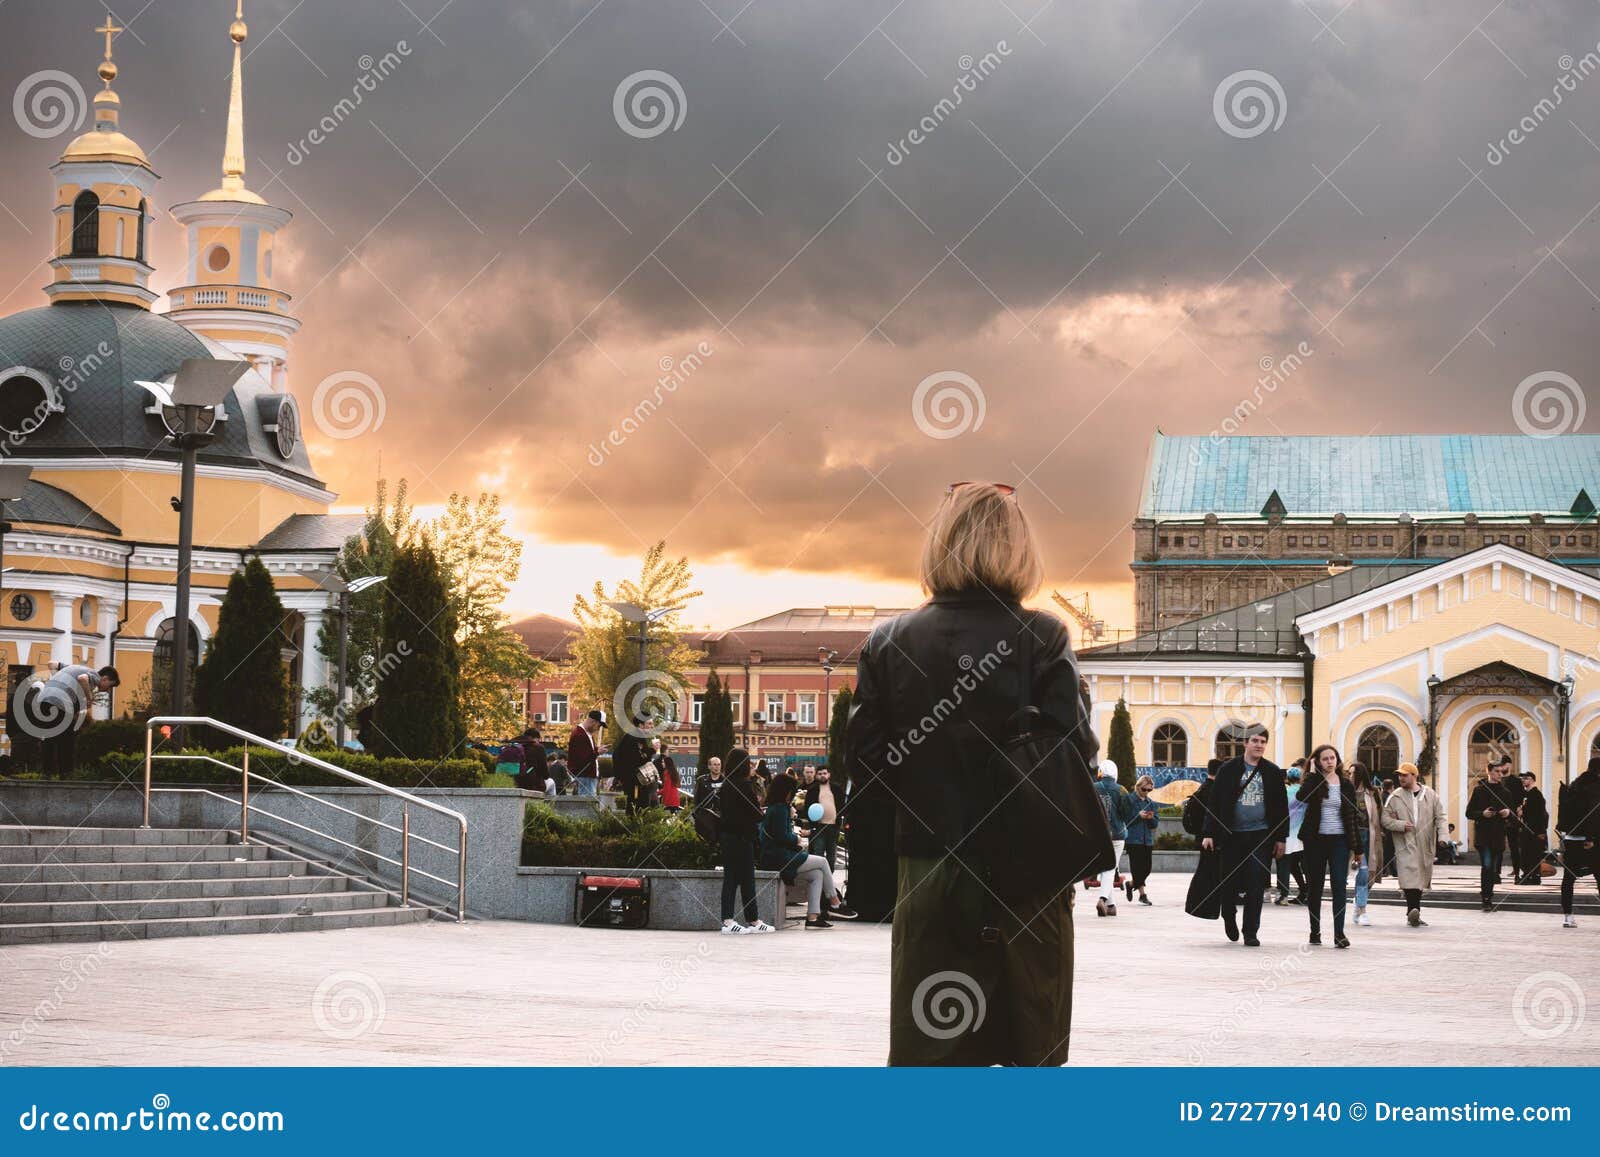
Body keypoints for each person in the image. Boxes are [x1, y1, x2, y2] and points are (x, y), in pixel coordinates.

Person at [848, 481, 1094, 1065]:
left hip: (929, 874)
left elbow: (865, 767)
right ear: (1018, 547)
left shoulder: (889, 641)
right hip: (1027, 880)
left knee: (932, 1052)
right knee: (1029, 1050)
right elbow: (1075, 752)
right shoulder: (1044, 636)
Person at [1201, 727, 1288, 947]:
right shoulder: (1229, 769)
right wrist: (1209, 833)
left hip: (1260, 835)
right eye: (1255, 741)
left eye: (1263, 741)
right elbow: (1214, 802)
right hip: (1231, 835)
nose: (1259, 745)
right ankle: (1228, 916)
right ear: (1245, 743)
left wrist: (1281, 838)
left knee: (1256, 883)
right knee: (1229, 882)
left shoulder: (1272, 772)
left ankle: (1250, 931)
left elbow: (1280, 807)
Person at [758, 772, 855, 928]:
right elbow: (782, 836)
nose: (794, 794)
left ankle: (812, 917)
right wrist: (796, 839)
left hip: (775, 856)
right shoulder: (780, 809)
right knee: (822, 861)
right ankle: (834, 902)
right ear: (786, 791)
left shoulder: (775, 808)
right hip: (779, 858)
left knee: (816, 874)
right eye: (792, 790)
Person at [1295, 744, 1362, 948]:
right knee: (1315, 887)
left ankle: (1339, 933)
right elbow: (1301, 797)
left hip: (1340, 841)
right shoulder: (1313, 782)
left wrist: (1358, 848)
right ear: (1317, 761)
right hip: (1315, 841)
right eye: (1325, 759)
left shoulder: (1345, 784)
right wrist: (1314, 775)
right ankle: (1315, 931)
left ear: (1337, 759)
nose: (1330, 761)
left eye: (1332, 757)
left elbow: (1352, 817)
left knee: (1339, 886)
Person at [717, 748, 771, 934]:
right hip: (742, 837)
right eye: (748, 763)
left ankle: (735, 920)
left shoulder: (726, 784)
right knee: (745, 879)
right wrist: (761, 812)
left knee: (733, 878)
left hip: (729, 837)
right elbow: (756, 814)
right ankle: (744, 920)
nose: (750, 766)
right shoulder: (743, 785)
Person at [1381, 762, 1441, 927]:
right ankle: (1413, 909)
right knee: (1409, 874)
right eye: (1399, 775)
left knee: (1420, 876)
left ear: (1414, 776)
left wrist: (1443, 835)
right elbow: (1385, 819)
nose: (1401, 778)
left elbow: (1440, 816)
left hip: (1425, 842)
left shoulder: (1430, 794)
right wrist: (1400, 825)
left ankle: (1413, 912)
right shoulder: (1395, 797)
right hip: (1404, 842)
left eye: (1405, 775)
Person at [37, 665, 118, 777]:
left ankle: (47, 773)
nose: (108, 691)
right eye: (110, 686)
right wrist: (89, 697)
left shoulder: (78, 668)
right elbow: (82, 679)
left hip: (44, 700)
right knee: (67, 740)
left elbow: (54, 664)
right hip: (59, 703)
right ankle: (65, 773)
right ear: (105, 678)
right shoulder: (95, 675)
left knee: (49, 738)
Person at [1467, 759, 1518, 911]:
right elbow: (1469, 813)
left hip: (1498, 836)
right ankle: (1486, 899)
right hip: (1483, 836)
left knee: (1493, 869)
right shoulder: (1479, 790)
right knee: (1487, 866)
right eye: (1497, 771)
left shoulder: (1506, 792)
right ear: (1489, 772)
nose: (1500, 775)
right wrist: (1482, 814)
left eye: (1502, 772)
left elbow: (1514, 816)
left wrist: (1508, 813)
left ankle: (1487, 894)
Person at [1555, 756, 1600, 928]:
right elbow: (1594, 815)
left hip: (1571, 838)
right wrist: (1590, 838)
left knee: (1568, 879)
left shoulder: (1574, 785)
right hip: (1590, 839)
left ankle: (1568, 916)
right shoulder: (1595, 787)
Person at [1093, 767, 1136, 916]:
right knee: (1111, 869)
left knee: (1105, 869)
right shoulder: (1121, 790)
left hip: (1098, 834)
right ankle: (1103, 899)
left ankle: (1111, 905)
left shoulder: (1093, 787)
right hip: (1117, 835)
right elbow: (1127, 813)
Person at [1349, 762, 1382, 926]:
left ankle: (1357, 903)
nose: (1350, 776)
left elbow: (1379, 816)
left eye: (1353, 773)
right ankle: (1362, 910)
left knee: (1370, 875)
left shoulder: (1373, 793)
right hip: (1353, 838)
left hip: (1370, 835)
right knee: (1361, 874)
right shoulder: (1347, 792)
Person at [1274, 758, 1309, 905]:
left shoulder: (1284, 793)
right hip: (1302, 835)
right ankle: (1308, 892)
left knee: (1284, 865)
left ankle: (1283, 895)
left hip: (1286, 834)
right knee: (1305, 866)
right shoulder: (1305, 793)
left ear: (1288, 778)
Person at [1123, 774, 1159, 906]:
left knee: (1147, 869)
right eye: (1145, 789)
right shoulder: (1129, 799)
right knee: (1137, 869)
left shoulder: (1151, 804)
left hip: (1147, 840)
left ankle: (1131, 884)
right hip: (1133, 839)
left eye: (1149, 790)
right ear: (1138, 787)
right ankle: (1142, 895)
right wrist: (1138, 816)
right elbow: (1126, 820)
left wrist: (1151, 818)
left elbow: (1155, 824)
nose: (1147, 793)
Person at [803, 763, 843, 871]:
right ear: (816, 776)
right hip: (818, 827)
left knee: (831, 857)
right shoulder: (812, 790)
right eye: (820, 774)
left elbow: (843, 805)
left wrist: (840, 820)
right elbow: (807, 808)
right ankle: (819, 880)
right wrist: (812, 825)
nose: (822, 776)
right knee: (818, 855)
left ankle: (828, 881)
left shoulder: (836, 789)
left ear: (829, 775)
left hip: (833, 827)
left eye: (825, 773)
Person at [1514, 770, 1547, 885]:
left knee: (1532, 854)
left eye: (1526, 778)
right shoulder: (1526, 795)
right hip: (1527, 829)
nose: (1523, 780)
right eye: (1523, 778)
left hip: (1535, 830)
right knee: (1526, 853)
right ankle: (1528, 875)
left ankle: (1533, 877)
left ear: (1533, 780)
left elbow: (1541, 814)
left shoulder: (1536, 794)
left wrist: (1541, 831)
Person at [567, 710, 604, 797]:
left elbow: (586, 753)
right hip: (585, 776)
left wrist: (597, 750)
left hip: (587, 776)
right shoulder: (580, 734)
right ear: (593, 722)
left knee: (588, 804)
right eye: (599, 726)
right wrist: (597, 752)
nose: (598, 729)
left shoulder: (586, 734)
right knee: (587, 805)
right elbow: (583, 759)